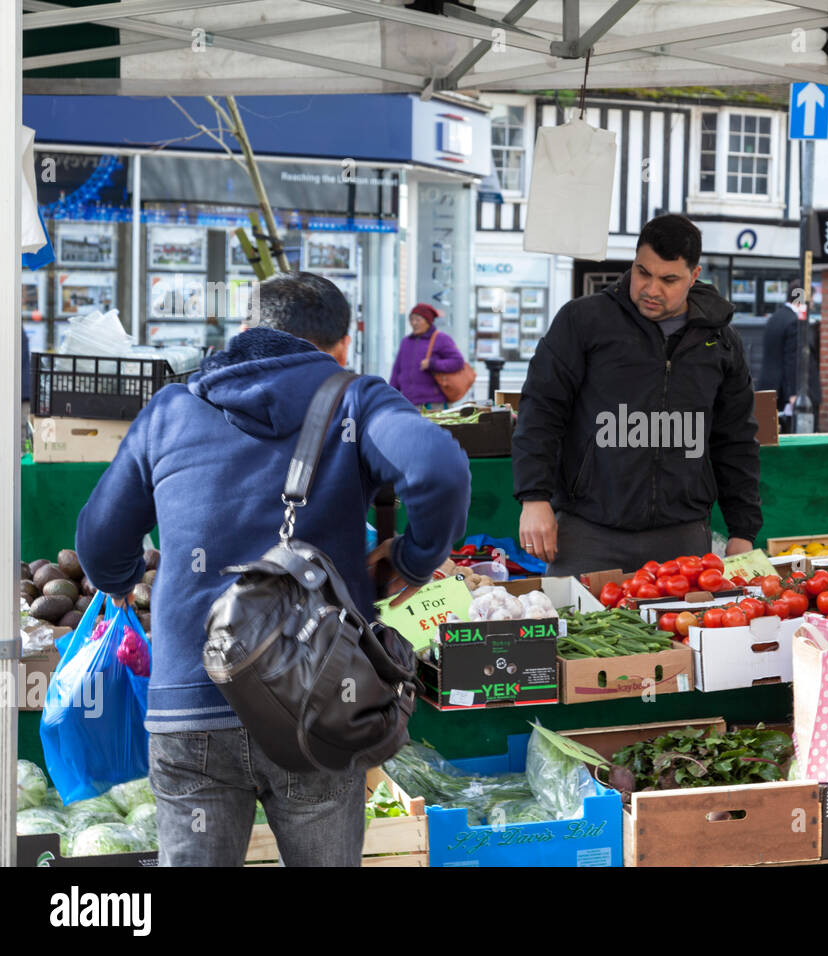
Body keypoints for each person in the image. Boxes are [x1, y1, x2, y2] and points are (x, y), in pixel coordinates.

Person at [75, 272, 472, 867]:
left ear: (246, 331)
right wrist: (412, 559)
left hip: (191, 700)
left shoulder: (171, 407)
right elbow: (440, 469)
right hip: (316, 704)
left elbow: (100, 547)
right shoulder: (354, 397)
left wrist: (133, 574)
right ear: (342, 345)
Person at [513, 213, 761, 575]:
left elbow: (735, 439)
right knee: (569, 631)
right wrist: (534, 498)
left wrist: (743, 530)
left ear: (694, 276)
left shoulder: (721, 341)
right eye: (643, 272)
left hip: (683, 539)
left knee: (683, 634)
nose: (651, 289)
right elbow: (540, 410)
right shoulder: (582, 322)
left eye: (669, 279)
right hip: (588, 534)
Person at [757, 287, 820, 432]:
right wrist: (794, 393)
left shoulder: (775, 317)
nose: (812, 305)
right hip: (786, 395)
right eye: (810, 300)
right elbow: (793, 360)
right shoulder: (794, 322)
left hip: (769, 389)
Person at [389, 302, 466, 410]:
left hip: (434, 404)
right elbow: (396, 371)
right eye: (411, 319)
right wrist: (390, 396)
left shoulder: (441, 339)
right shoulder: (406, 342)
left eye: (418, 319)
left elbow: (458, 362)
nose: (414, 323)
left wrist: (433, 364)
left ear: (428, 321)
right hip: (408, 404)